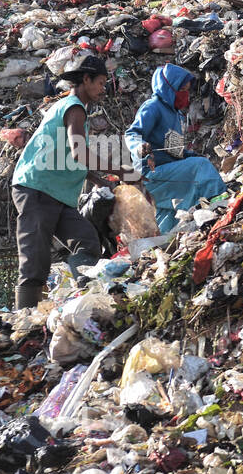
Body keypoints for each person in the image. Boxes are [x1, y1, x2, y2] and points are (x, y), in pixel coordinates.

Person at [11, 54, 117, 310]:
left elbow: (70, 156)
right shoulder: (74, 108)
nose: (103, 90)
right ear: (86, 79)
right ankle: (25, 317)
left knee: (87, 240)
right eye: (100, 83)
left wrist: (97, 179)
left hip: (57, 195)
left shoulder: (76, 111)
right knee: (35, 259)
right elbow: (79, 152)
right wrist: (120, 171)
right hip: (36, 188)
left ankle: (86, 298)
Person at [124, 64, 226, 233]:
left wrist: (188, 155)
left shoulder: (176, 114)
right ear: (169, 88)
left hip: (167, 175)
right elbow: (132, 133)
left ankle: (155, 252)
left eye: (186, 90)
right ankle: (220, 205)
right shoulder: (153, 107)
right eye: (182, 90)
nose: (185, 94)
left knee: (170, 225)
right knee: (200, 166)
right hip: (151, 174)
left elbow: (173, 150)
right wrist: (138, 147)